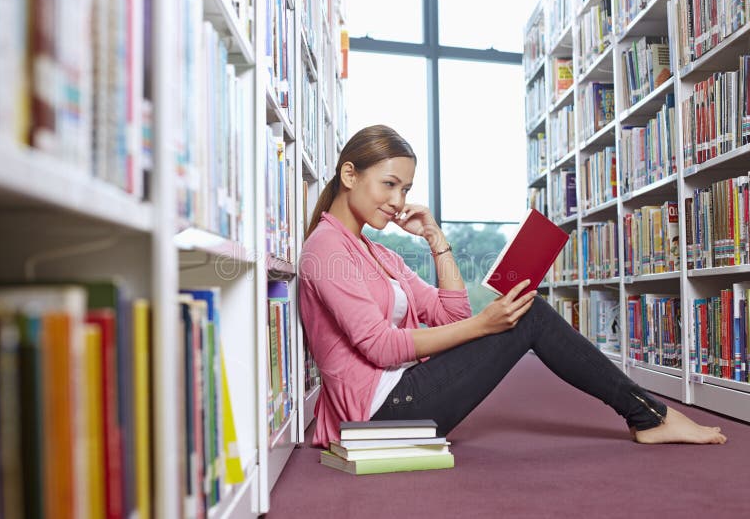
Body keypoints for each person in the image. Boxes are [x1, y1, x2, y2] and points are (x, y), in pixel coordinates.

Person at [298, 124, 727, 449]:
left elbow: (451, 315)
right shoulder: (325, 250)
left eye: (405, 188)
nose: (397, 200)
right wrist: (486, 326)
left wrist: (435, 238)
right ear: (350, 174)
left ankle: (648, 415)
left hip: (405, 390)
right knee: (530, 315)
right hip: (379, 415)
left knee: (526, 309)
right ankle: (649, 415)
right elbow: (380, 347)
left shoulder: (376, 252)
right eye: (389, 184)